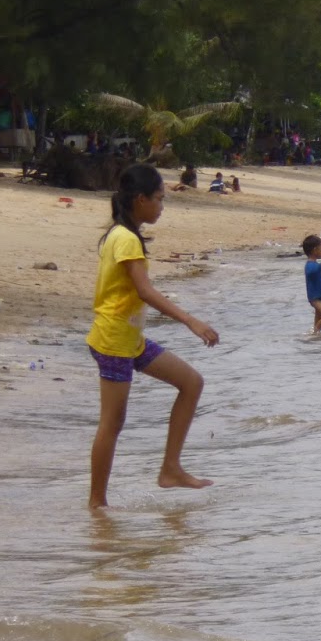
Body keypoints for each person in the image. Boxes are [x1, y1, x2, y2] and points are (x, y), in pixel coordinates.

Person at [86, 164, 219, 510]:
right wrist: (190, 320)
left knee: (191, 383)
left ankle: (171, 469)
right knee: (112, 423)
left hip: (131, 339)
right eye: (159, 199)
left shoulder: (122, 234)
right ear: (140, 199)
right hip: (115, 339)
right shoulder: (125, 238)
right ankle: (97, 504)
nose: (162, 206)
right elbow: (145, 291)